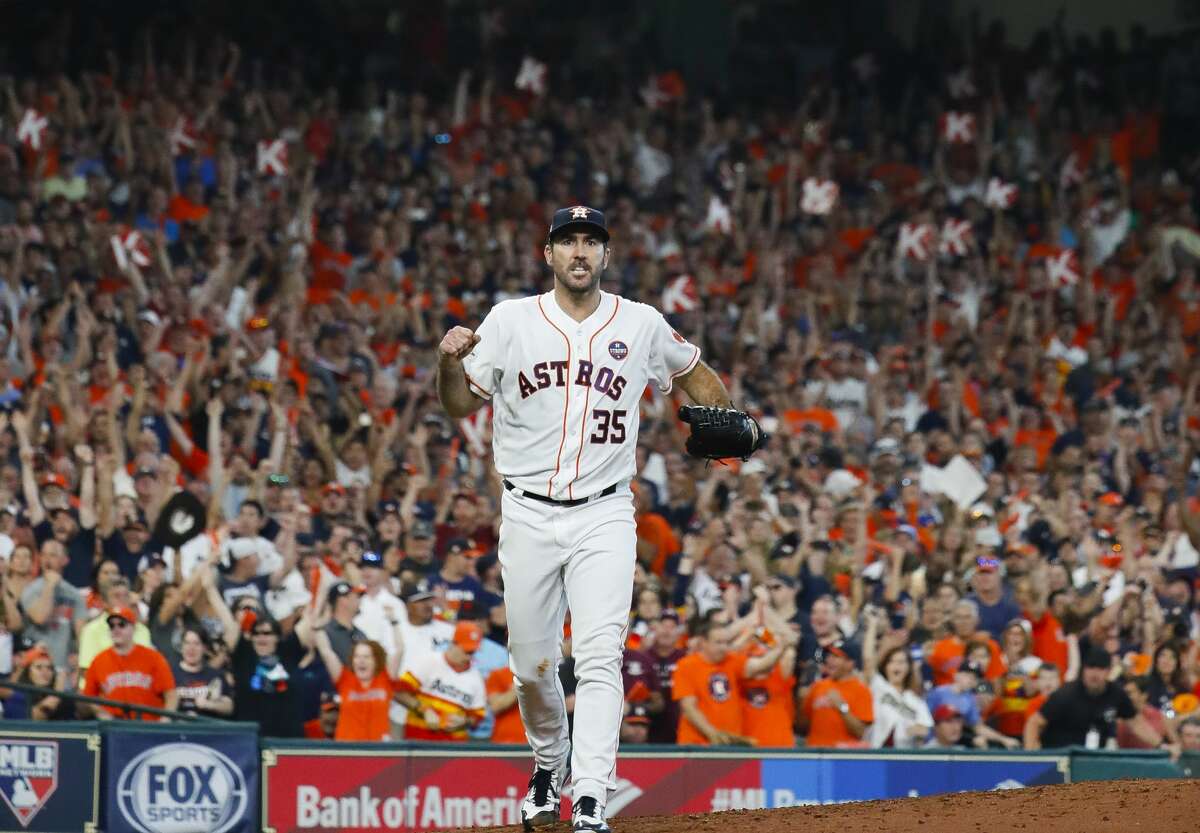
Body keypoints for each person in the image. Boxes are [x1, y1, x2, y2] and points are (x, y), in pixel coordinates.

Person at [437, 204, 742, 833]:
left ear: (606, 255)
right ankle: (549, 764)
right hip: (526, 511)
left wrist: (729, 417)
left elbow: (692, 371)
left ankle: (593, 795)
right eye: (569, 240)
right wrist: (447, 361)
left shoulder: (640, 322)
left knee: (602, 655)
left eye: (591, 241)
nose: (580, 251)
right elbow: (457, 404)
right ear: (548, 253)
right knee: (531, 669)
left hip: (605, 512)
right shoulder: (511, 320)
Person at [671, 619, 782, 746]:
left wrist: (778, 647)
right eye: (718, 642)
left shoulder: (731, 660)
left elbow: (760, 666)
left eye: (726, 643)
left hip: (730, 743)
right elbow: (689, 708)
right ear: (703, 642)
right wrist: (712, 734)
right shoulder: (686, 666)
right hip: (696, 744)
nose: (723, 648)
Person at [1025, 646, 1161, 750]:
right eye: (1090, 667)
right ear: (1083, 670)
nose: (1094, 674)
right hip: (1061, 756)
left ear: (1108, 671)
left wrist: (1160, 745)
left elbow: (1136, 723)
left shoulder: (1116, 693)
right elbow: (1034, 723)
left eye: (1100, 668)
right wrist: (1031, 756)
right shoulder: (1066, 694)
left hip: (1094, 757)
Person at [394, 621, 486, 741]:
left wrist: (464, 722)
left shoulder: (476, 678)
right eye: (467, 651)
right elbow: (398, 692)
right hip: (419, 742)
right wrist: (424, 710)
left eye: (473, 652)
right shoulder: (429, 661)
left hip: (453, 747)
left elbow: (477, 717)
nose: (469, 657)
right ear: (453, 644)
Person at [81, 606, 178, 720]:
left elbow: (171, 694)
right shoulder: (98, 661)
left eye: (121, 624)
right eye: (112, 626)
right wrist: (100, 712)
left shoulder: (153, 658)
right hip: (115, 726)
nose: (116, 629)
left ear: (133, 628)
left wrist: (165, 719)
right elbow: (89, 696)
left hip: (148, 724)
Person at [313, 632, 402, 741]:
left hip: (378, 746)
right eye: (357, 656)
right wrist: (317, 629)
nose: (361, 661)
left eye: (366, 657)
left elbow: (399, 650)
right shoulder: (344, 679)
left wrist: (394, 624)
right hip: (348, 746)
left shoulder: (385, 679)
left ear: (376, 661)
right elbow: (326, 652)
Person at [20, 540, 88, 668]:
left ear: (65, 560)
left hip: (63, 667)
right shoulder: (31, 590)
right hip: (35, 667)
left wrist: (80, 658)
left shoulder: (75, 595)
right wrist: (49, 585)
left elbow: (82, 635)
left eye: (53, 555)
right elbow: (41, 618)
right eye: (44, 554)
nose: (47, 559)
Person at [798, 639, 874, 748]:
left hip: (842, 755)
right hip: (816, 752)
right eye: (829, 656)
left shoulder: (861, 690)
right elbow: (802, 727)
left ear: (850, 663)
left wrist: (842, 707)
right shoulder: (818, 686)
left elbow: (860, 732)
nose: (829, 660)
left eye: (836, 657)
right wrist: (800, 701)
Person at [866, 645, 934, 748]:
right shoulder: (878, 685)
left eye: (901, 662)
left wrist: (912, 730)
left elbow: (925, 729)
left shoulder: (915, 699)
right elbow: (868, 661)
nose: (896, 665)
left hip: (904, 752)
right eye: (891, 661)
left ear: (908, 667)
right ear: (885, 666)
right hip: (876, 750)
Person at [172, 628, 234, 718]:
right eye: (187, 643)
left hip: (206, 725)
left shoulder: (216, 675)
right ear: (181, 647)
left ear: (204, 648)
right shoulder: (170, 674)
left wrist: (208, 704)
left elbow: (229, 707)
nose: (191, 648)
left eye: (196, 643)